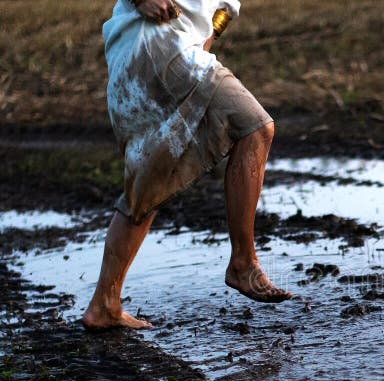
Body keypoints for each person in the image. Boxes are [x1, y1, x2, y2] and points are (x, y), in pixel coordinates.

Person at [82, 0, 292, 330]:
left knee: (150, 176)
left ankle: (104, 303)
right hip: (153, 47)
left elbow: (208, 34)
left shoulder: (229, 4)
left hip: (151, 65)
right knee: (255, 127)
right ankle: (243, 262)